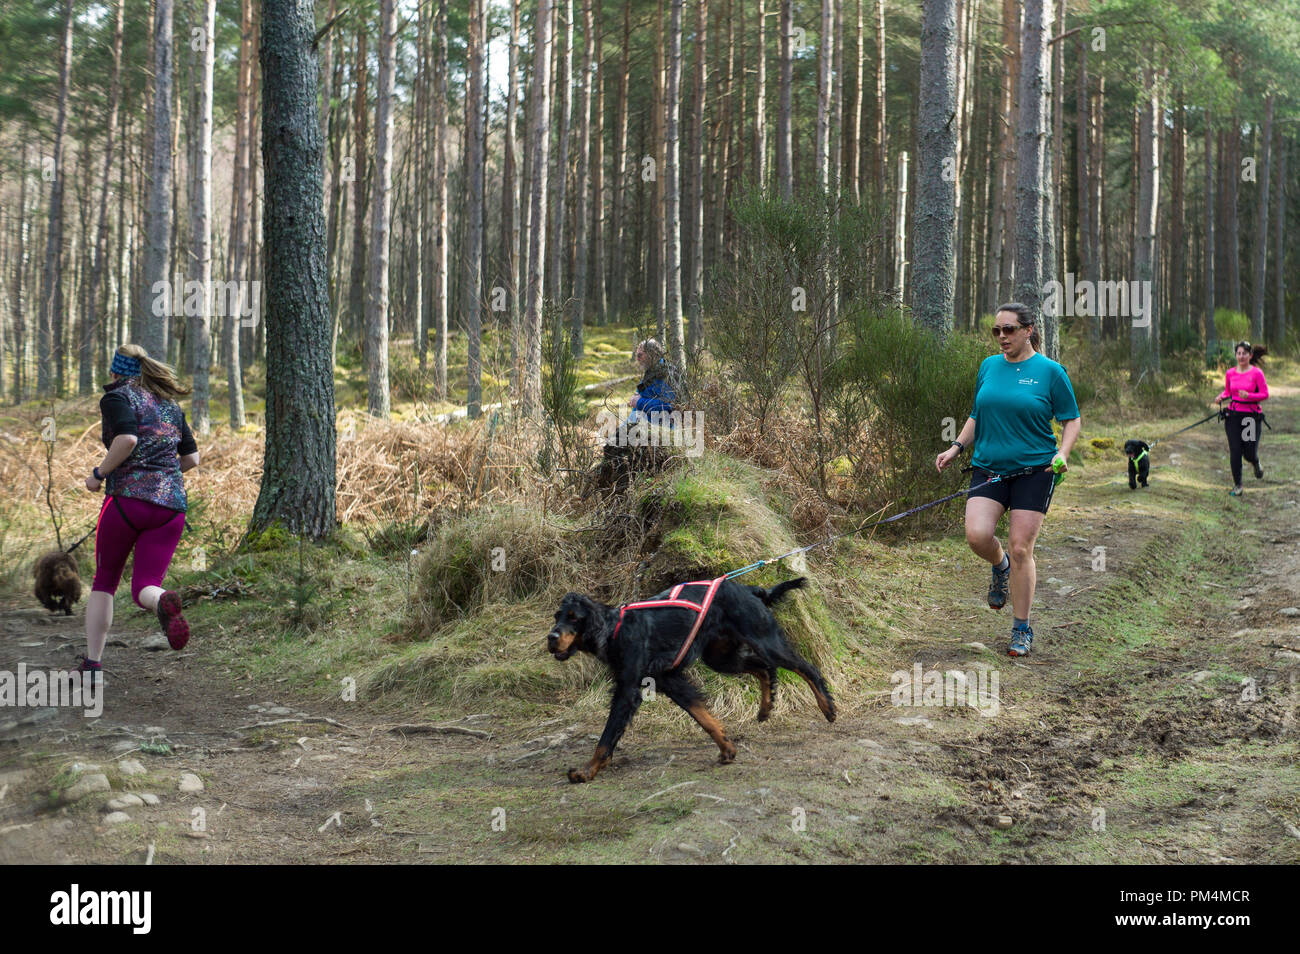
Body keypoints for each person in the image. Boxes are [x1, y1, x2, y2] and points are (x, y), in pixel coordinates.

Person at [935, 303, 1082, 658]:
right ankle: (999, 567)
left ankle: (1021, 628)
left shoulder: (1050, 372)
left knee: (1021, 548)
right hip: (989, 467)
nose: (1002, 337)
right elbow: (977, 413)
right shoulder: (988, 366)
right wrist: (956, 446)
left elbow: (1072, 419)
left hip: (1036, 471)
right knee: (977, 535)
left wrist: (1063, 453)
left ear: (1028, 330)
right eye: (996, 331)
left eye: (1009, 330)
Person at [74, 344, 200, 686]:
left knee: (105, 581)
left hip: (127, 503)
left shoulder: (117, 398)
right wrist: (161, 475)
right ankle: (162, 601)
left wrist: (99, 474)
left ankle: (93, 665)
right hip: (170, 507)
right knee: (145, 586)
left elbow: (127, 439)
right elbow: (191, 459)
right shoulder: (170, 406)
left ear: (116, 372)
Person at [1216, 341, 1269, 497]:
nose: (1241, 356)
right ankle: (1238, 485)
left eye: (1244, 353)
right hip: (1233, 416)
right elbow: (1228, 392)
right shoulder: (1230, 373)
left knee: (1249, 452)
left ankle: (1255, 462)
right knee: (1235, 451)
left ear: (1250, 355)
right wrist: (1221, 397)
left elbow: (1265, 394)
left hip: (1250, 417)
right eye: (1238, 353)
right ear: (1236, 355)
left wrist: (1250, 396)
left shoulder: (1257, 373)